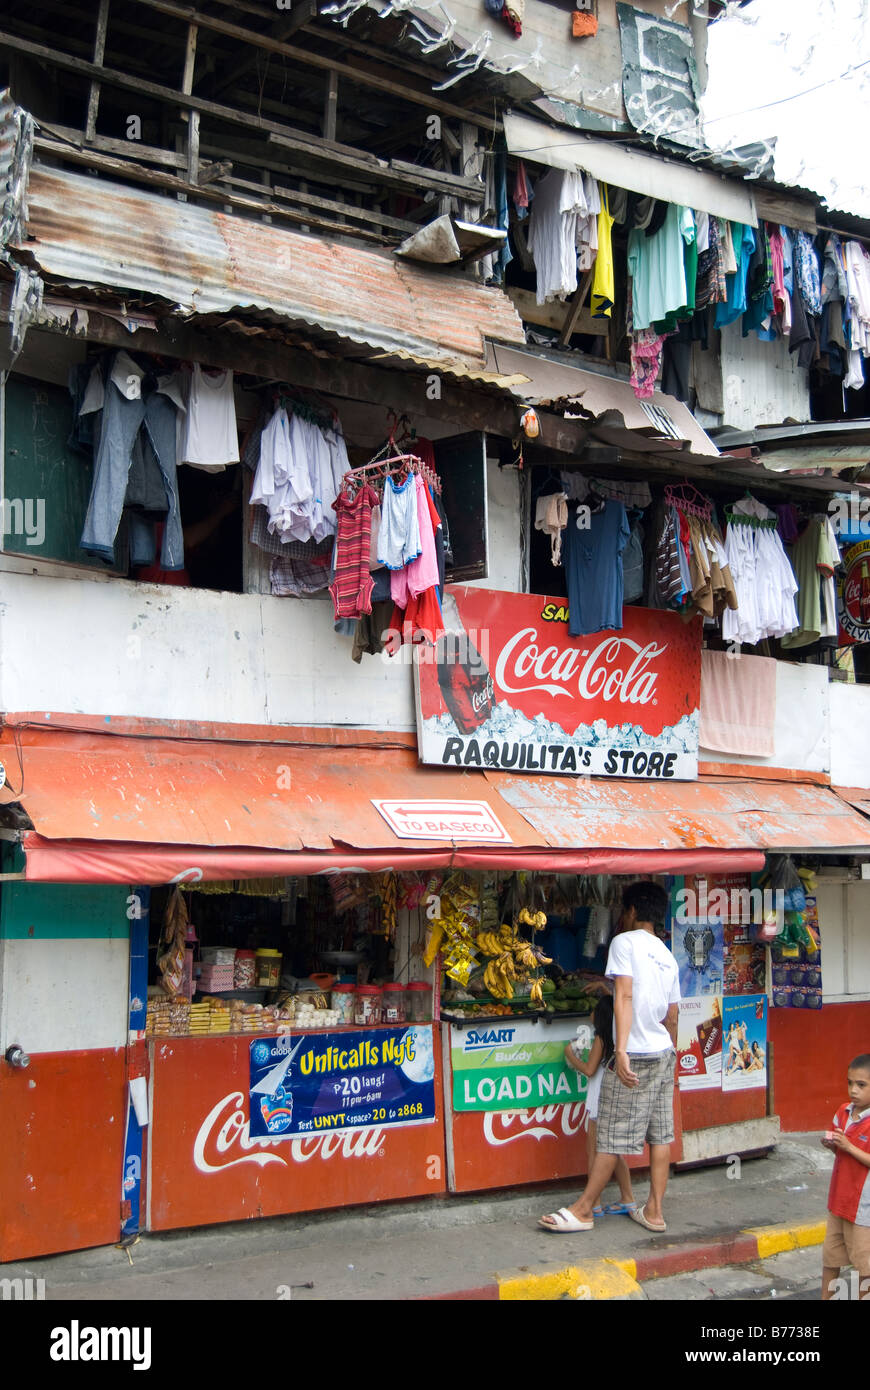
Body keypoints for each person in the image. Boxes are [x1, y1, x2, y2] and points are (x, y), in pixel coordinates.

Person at [540, 880, 680, 1235]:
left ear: (631, 912)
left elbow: (625, 995)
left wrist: (620, 1051)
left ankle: (584, 1209)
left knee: (612, 1135)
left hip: (634, 1053)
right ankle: (655, 1212)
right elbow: (672, 1014)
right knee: (661, 1137)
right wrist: (672, 1057)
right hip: (664, 1052)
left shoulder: (623, 942)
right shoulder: (667, 954)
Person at [563, 995, 636, 1216]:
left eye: (594, 1009)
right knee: (614, 1150)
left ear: (600, 1016)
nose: (591, 1013)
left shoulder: (601, 1039)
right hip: (615, 1095)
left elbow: (589, 1070)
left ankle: (594, 1203)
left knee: (594, 1150)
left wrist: (569, 1054)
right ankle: (628, 1198)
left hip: (599, 1098)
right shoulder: (621, 1037)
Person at [820, 1053, 870, 1300]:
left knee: (865, 1268)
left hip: (863, 1209)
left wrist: (849, 1147)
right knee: (831, 1259)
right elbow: (837, 1145)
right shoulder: (843, 1112)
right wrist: (832, 1145)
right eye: (850, 1083)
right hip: (838, 1202)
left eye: (861, 1085)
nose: (854, 1090)